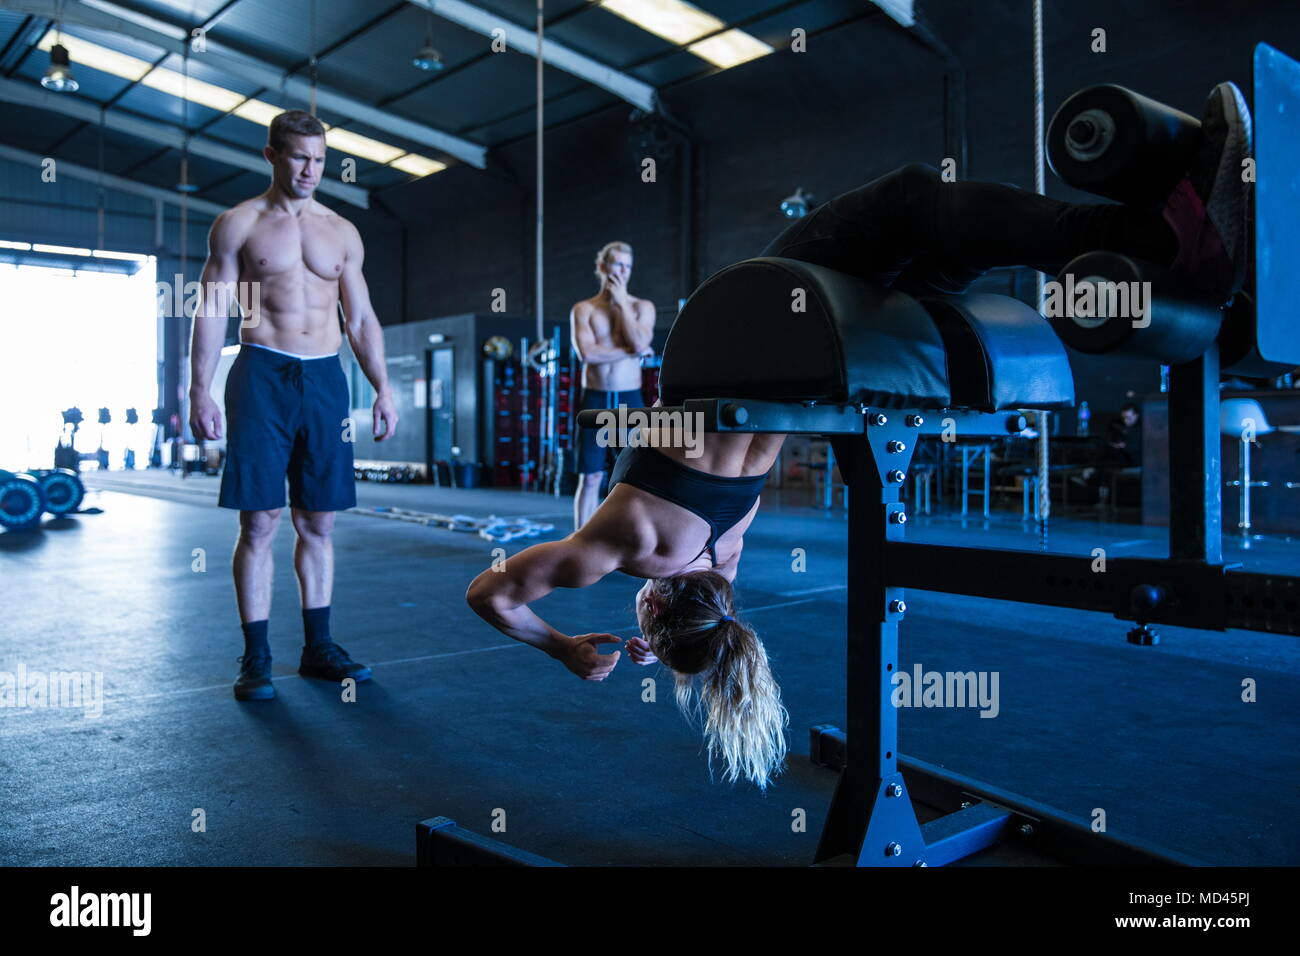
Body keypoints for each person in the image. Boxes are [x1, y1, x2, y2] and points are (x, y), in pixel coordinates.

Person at [467, 82, 1252, 790]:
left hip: (804, 368)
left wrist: (632, 643)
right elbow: (492, 594)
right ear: (652, 606)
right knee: (914, 205)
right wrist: (563, 643)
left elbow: (696, 610)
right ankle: (1163, 239)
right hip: (750, 337)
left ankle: (1166, 246)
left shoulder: (723, 567)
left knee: (940, 250)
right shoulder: (629, 540)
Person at [188, 109, 399, 702]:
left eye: (320, 160)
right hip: (261, 374)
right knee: (259, 520)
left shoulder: (342, 232)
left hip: (326, 378)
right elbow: (211, 309)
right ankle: (256, 657)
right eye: (300, 158)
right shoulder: (238, 226)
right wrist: (198, 387)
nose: (311, 170)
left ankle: (319, 648)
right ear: (272, 156)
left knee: (320, 520)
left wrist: (382, 386)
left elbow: (359, 318)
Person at [570, 242, 656, 529]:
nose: (622, 271)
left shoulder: (642, 307)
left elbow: (639, 342)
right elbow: (588, 354)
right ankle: (578, 543)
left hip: (629, 400)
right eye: (617, 264)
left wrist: (620, 302)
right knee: (591, 476)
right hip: (595, 398)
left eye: (627, 266)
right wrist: (633, 352)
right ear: (602, 267)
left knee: (634, 477)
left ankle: (630, 541)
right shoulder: (583, 309)